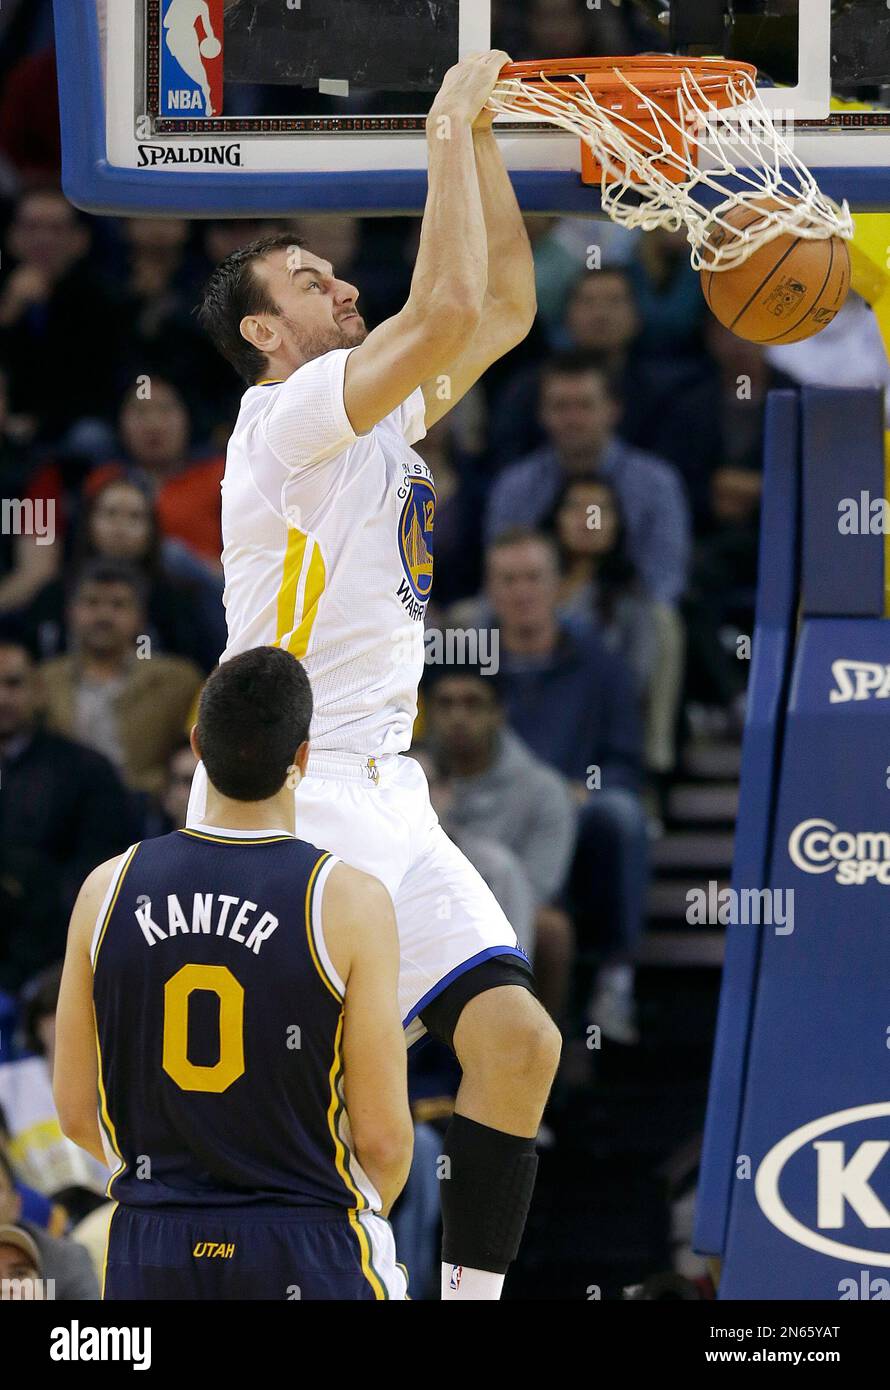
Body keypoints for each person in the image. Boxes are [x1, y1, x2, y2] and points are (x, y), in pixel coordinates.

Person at [192, 51, 560, 1300]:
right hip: (290, 804)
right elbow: (446, 310)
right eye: (307, 280)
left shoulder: (378, 415)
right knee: (331, 1129)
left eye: (329, 266)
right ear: (262, 331)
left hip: (382, 791)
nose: (338, 281)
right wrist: (444, 126)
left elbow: (498, 306)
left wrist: (485, 140)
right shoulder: (279, 419)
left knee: (515, 1040)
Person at [53, 647, 413, 1300]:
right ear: (301, 759)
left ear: (197, 745)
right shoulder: (348, 900)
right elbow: (384, 1140)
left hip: (152, 1246)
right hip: (306, 1241)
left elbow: (77, 1111)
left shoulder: (106, 888)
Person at [423, 666, 577, 1020]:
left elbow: (538, 886)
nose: (457, 716)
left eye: (472, 704)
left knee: (552, 930)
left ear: (498, 714)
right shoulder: (405, 775)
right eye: (445, 704)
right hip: (420, 904)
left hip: (505, 913)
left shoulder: (543, 790)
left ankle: (529, 1042)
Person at [486, 352, 691, 605]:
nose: (572, 419)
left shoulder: (657, 483)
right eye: (560, 406)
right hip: (535, 621)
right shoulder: (514, 486)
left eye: (585, 405)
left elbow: (666, 582)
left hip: (631, 621)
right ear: (541, 413)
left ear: (613, 410)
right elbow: (500, 573)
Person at [0, 629, 136, 989]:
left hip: (49, 957)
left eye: (14, 684)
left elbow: (96, 875)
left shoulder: (86, 771)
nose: (2, 697)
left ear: (40, 690)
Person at [39, 560, 203, 796]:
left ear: (140, 616)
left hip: (148, 807)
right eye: (92, 603)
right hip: (62, 807)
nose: (104, 615)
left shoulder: (177, 680)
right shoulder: (43, 680)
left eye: (118, 605)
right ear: (70, 611)